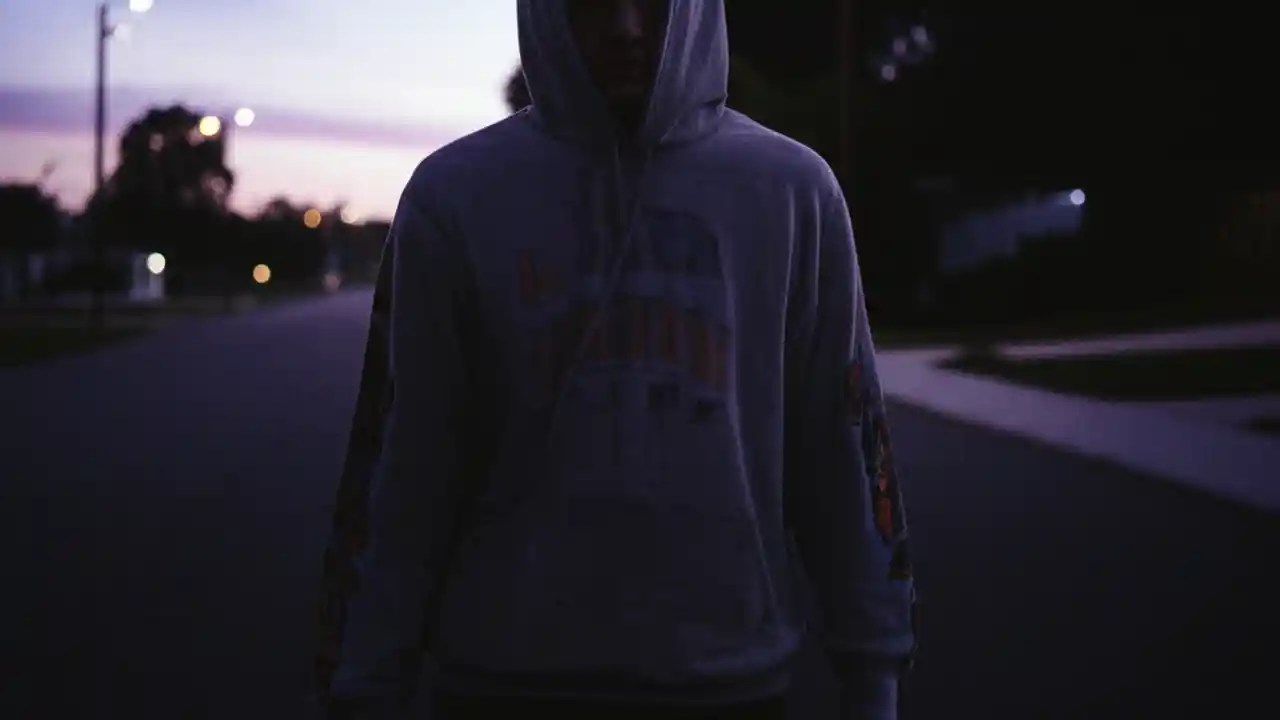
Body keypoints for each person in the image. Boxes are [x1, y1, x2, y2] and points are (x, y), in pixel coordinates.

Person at [312, 0, 917, 718]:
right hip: (500, 683)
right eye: (593, 3)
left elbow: (841, 443)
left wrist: (874, 669)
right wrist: (367, 677)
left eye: (654, 4)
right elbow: (406, 460)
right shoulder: (455, 198)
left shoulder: (789, 192)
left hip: (727, 683)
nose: (626, 28)